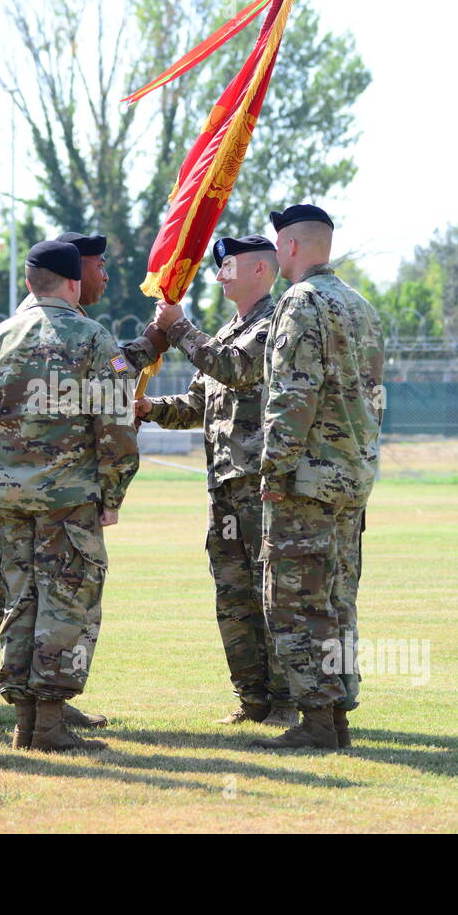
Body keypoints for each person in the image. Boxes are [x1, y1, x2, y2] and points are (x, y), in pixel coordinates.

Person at [0, 230, 166, 730]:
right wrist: (113, 491)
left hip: (4, 497)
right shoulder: (90, 337)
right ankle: (46, 720)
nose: (102, 275)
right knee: (64, 602)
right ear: (74, 281)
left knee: (21, 601)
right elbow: (115, 426)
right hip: (67, 499)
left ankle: (30, 716)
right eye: (96, 268)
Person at [137, 234, 295, 727]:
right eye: (220, 265)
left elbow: (237, 370)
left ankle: (287, 701)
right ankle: (253, 699)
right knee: (233, 595)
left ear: (261, 272)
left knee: (269, 592)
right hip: (224, 485)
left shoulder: (274, 325)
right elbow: (197, 405)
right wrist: (149, 409)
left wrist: (179, 328)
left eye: (231, 265)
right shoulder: (227, 330)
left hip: (258, 482)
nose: (221, 272)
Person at [249, 204, 384, 753]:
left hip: (305, 480)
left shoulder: (299, 303)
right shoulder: (361, 307)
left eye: (279, 245)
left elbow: (292, 395)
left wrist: (273, 471)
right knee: (337, 598)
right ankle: (337, 713)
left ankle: (317, 720)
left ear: (291, 247)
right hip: (351, 477)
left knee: (294, 601)